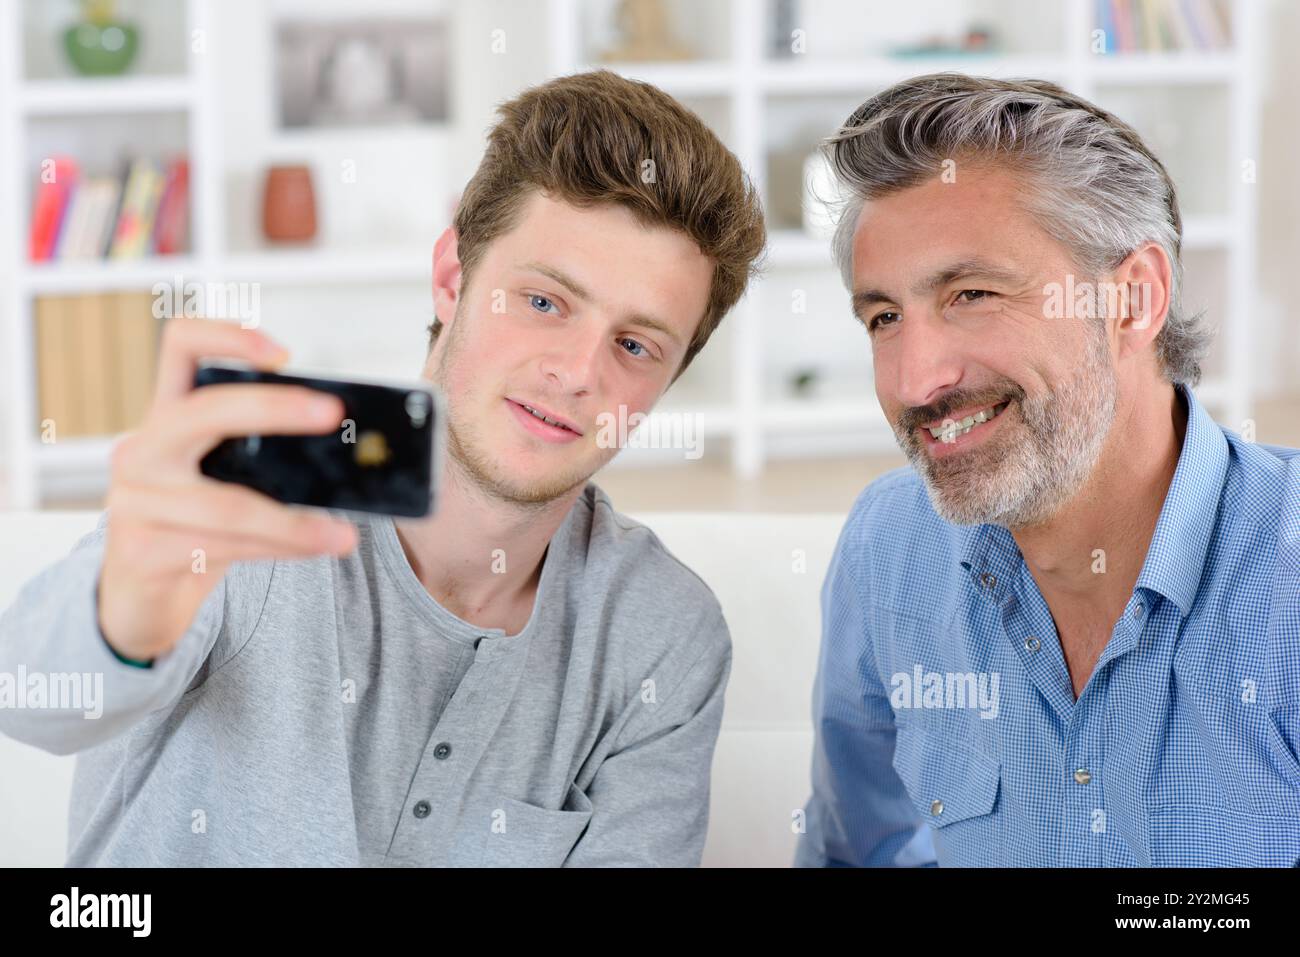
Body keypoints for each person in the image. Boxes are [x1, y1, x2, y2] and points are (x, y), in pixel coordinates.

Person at [0, 70, 766, 867]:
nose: (579, 373)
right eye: (544, 301)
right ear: (451, 276)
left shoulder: (662, 637)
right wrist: (123, 609)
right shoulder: (257, 505)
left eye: (636, 346)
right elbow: (31, 696)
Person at [795, 73, 1300, 867]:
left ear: (1134, 299)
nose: (914, 381)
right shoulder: (887, 547)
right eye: (885, 317)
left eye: (973, 293)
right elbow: (855, 851)